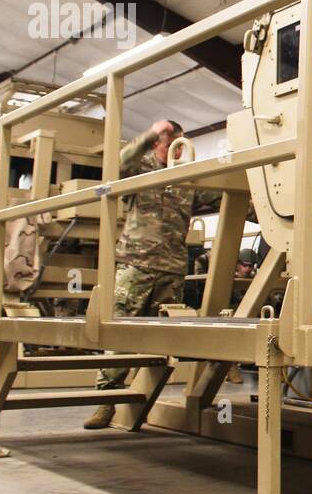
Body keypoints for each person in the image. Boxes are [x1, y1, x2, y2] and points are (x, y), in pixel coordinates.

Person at [84, 120, 223, 429]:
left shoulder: (186, 174)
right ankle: (105, 404)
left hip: (172, 268)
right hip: (136, 265)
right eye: (167, 140)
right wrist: (148, 134)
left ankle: (141, 400)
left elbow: (222, 194)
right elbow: (118, 163)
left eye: (177, 140)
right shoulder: (138, 169)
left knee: (159, 341)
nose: (172, 146)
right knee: (119, 334)